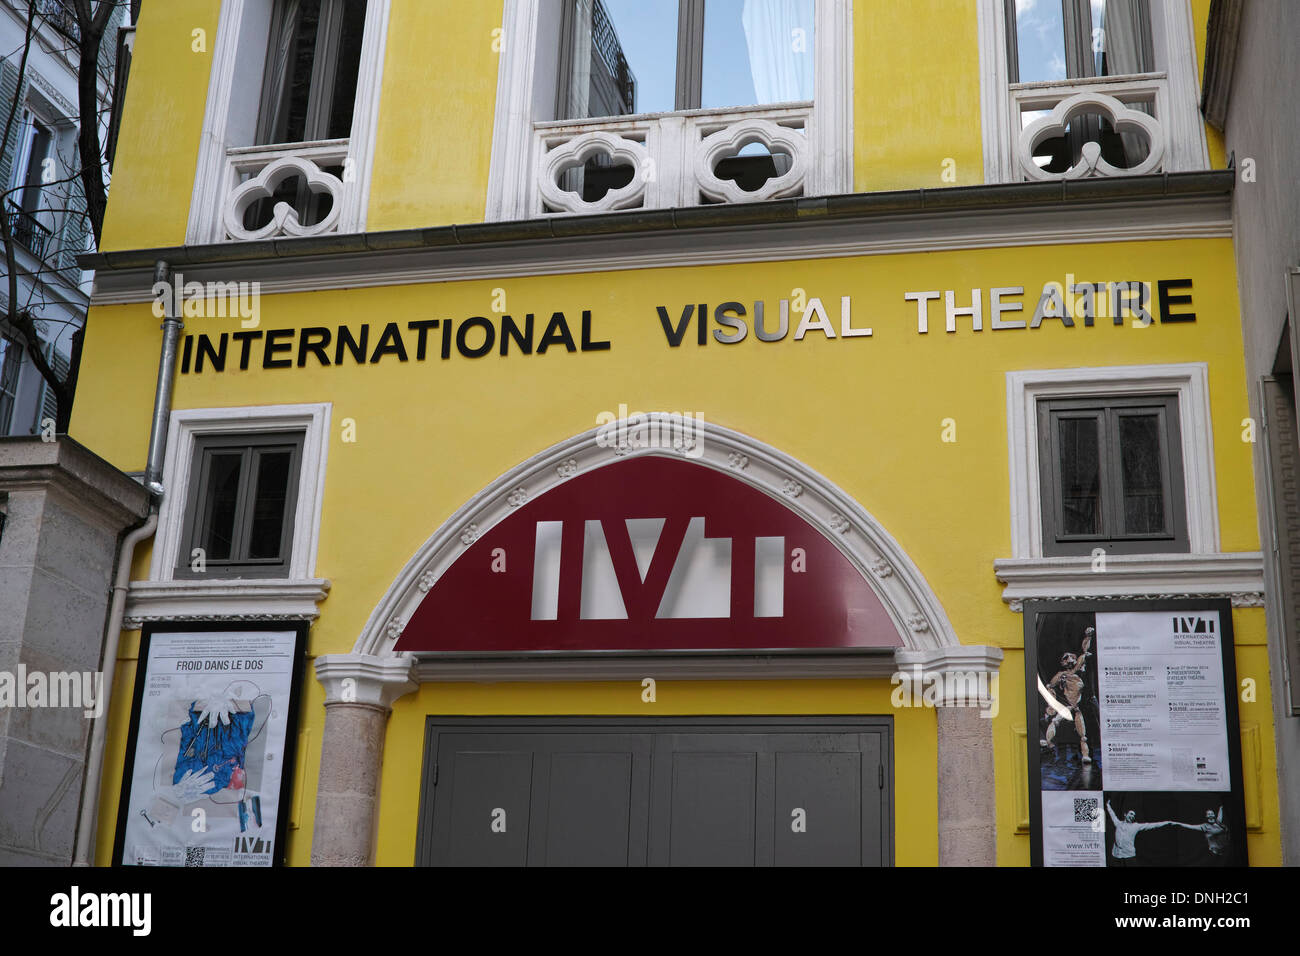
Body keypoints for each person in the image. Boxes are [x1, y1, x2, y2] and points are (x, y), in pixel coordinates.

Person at [1041, 626, 1095, 764]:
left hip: (1077, 707)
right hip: (1067, 706)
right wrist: (1051, 705)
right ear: (1062, 662)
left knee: (1083, 736)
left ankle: (1085, 755)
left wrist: (1088, 636)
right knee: (1055, 721)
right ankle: (1049, 743)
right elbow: (1049, 686)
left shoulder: (1078, 668)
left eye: (1071, 656)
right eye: (1066, 658)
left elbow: (1085, 652)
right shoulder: (1061, 675)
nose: (1069, 659)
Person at [1106, 801, 1177, 865]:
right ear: (1125, 814)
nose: (1132, 816)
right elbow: (1112, 814)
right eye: (1131, 814)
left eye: (1134, 815)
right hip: (1116, 856)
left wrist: (1167, 822)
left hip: (1129, 856)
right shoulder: (1118, 823)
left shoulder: (1136, 826)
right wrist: (1108, 805)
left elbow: (1152, 825)